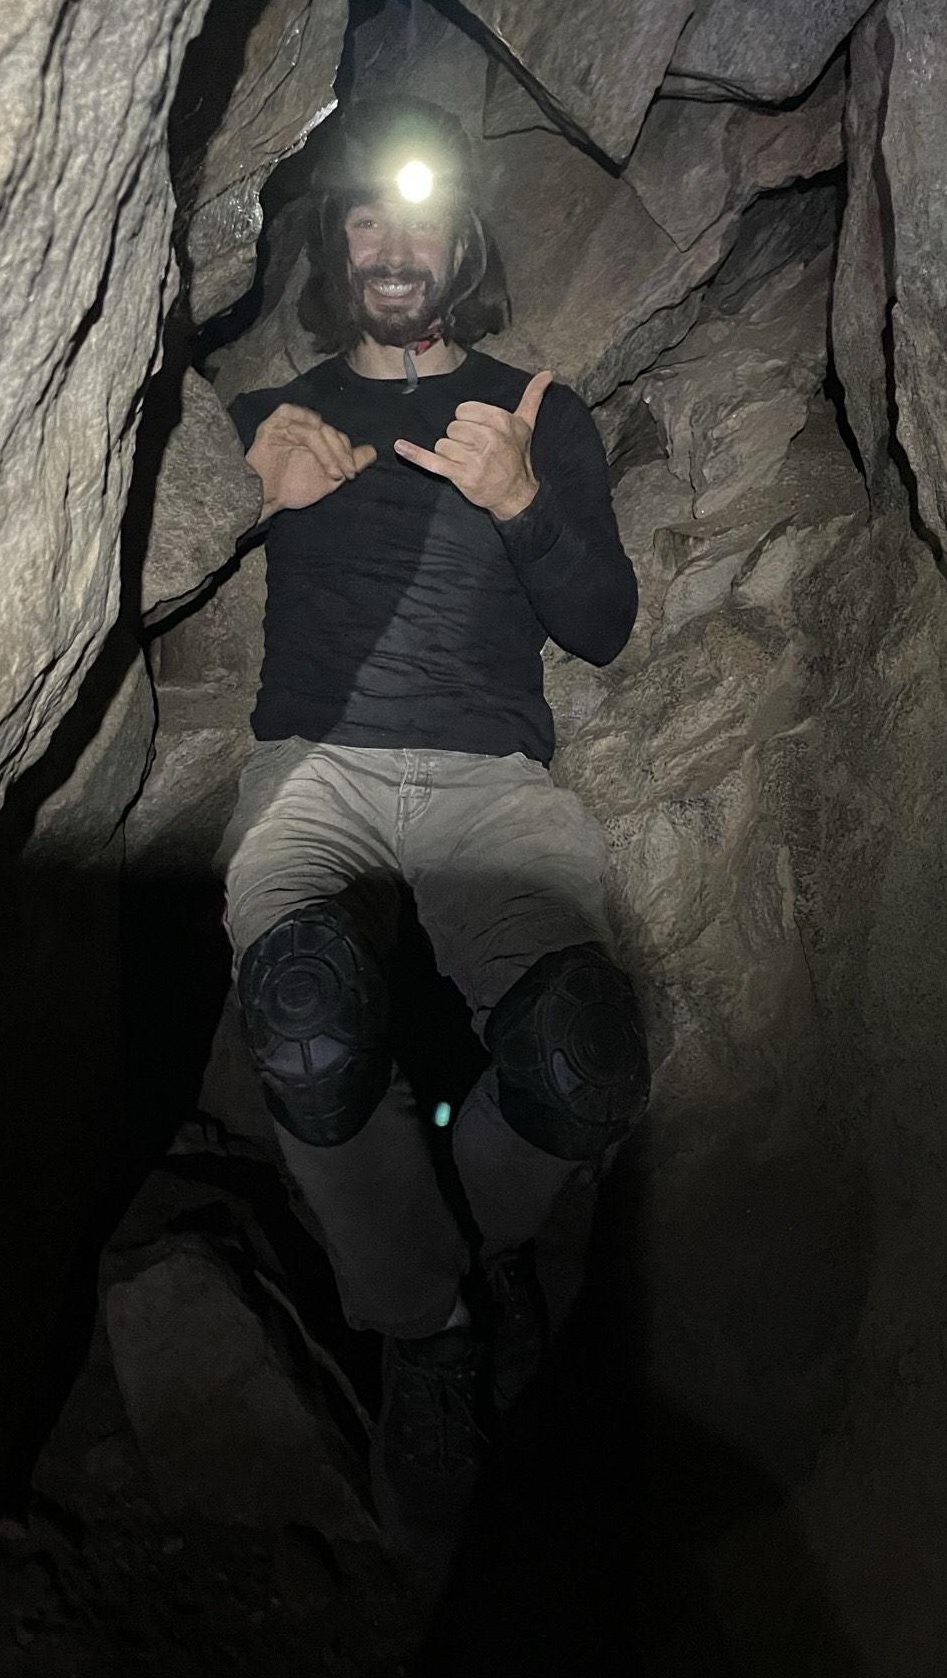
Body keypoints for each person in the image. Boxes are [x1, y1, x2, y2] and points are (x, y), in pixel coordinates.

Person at [219, 96, 648, 1555]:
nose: (396, 246)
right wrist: (241, 494)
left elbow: (601, 627)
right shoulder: (276, 413)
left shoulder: (540, 412)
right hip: (317, 769)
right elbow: (113, 523)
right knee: (307, 1023)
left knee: (585, 1059)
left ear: (461, 240)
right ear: (338, 247)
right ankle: (433, 1327)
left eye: (423, 217)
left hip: (485, 777)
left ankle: (462, 1240)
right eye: (367, 218)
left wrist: (525, 502)